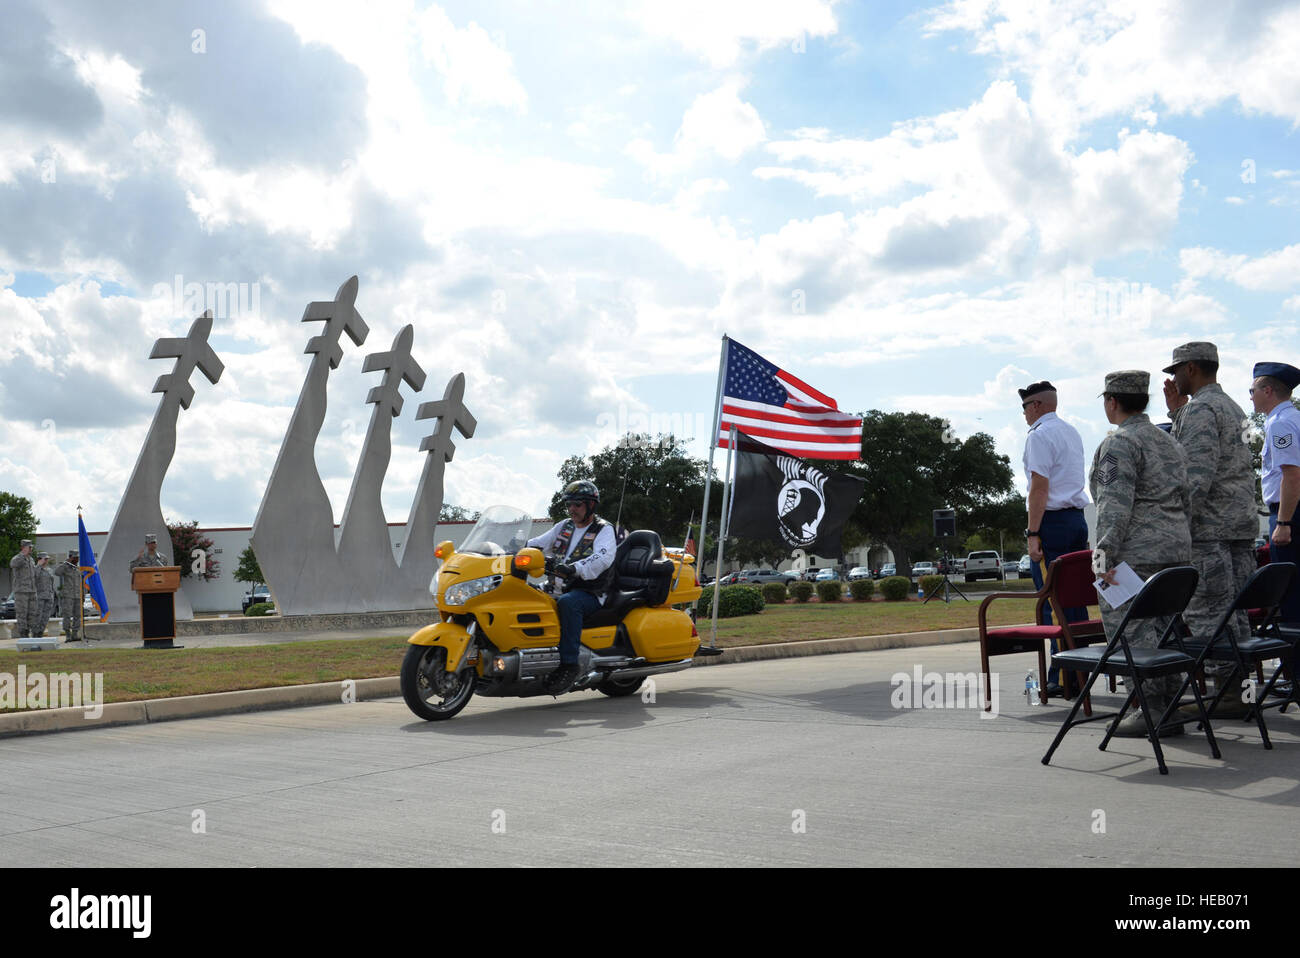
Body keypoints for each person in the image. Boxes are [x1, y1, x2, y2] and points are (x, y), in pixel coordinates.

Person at [1090, 370, 1192, 737]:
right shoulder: (1169, 442)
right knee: (1165, 629)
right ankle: (1169, 707)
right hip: (1176, 550)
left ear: (1112, 402)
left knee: (1129, 631)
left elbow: (1113, 506)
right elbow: (1186, 499)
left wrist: (1102, 555)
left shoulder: (1119, 443)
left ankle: (1148, 708)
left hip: (1133, 553)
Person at [1161, 342, 1259, 716]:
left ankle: (1230, 696)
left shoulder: (1202, 410)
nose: (1173, 378)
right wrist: (1177, 415)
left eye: (1176, 371)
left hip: (1209, 529)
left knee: (1208, 613)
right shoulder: (1234, 407)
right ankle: (1243, 694)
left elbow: (1195, 477)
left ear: (1191, 368)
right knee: (1236, 611)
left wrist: (1176, 526)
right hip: (1238, 525)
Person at [1019, 380, 1091, 697]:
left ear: (1036, 406)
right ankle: (1082, 671)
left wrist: (1033, 532)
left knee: (1054, 603)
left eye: (1024, 407)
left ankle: (1064, 676)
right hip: (1076, 519)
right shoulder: (1071, 432)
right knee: (1075, 600)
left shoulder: (1039, 435)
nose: (1023, 414)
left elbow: (1040, 487)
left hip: (1053, 523)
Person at [527, 480, 617, 693]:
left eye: (577, 504)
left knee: (569, 603)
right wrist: (515, 547)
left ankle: (569, 665)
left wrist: (574, 568)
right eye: (569, 505)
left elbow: (602, 558)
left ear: (590, 505)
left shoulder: (603, 530)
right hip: (555, 587)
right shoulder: (564, 526)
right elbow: (538, 543)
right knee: (524, 596)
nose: (572, 509)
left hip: (590, 592)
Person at [1250, 361, 1300, 686]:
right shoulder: (1290, 418)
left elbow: (1292, 474)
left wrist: (1283, 521)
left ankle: (1296, 677)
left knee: (1291, 597)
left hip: (1289, 513)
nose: (1251, 396)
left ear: (1268, 390)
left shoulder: (1281, 423)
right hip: (1291, 512)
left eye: (1253, 390)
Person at [9, 539, 37, 638]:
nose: (31, 549)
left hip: (32, 591)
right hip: (21, 592)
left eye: (31, 547)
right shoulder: (17, 558)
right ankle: (23, 635)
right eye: (29, 547)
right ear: (24, 547)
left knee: (32, 614)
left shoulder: (31, 560)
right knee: (22, 614)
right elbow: (12, 564)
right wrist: (22, 554)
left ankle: (29, 634)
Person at [54, 550, 83, 643]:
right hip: (68, 596)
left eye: (78, 557)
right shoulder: (66, 567)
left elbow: (81, 582)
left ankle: (75, 634)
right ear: (71, 557)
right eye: (75, 557)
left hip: (77, 595)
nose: (77, 559)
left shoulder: (78, 568)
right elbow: (57, 572)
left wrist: (82, 595)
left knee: (77, 616)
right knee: (67, 615)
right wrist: (66, 563)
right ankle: (68, 635)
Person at [34, 553, 55, 638]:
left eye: (47, 559)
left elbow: (51, 583)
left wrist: (52, 594)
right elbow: (34, 577)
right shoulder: (35, 569)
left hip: (49, 596)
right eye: (45, 559)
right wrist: (38, 565)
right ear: (40, 559)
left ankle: (40, 633)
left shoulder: (49, 570)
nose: (46, 561)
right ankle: (35, 634)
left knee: (45, 617)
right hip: (39, 597)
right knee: (38, 617)